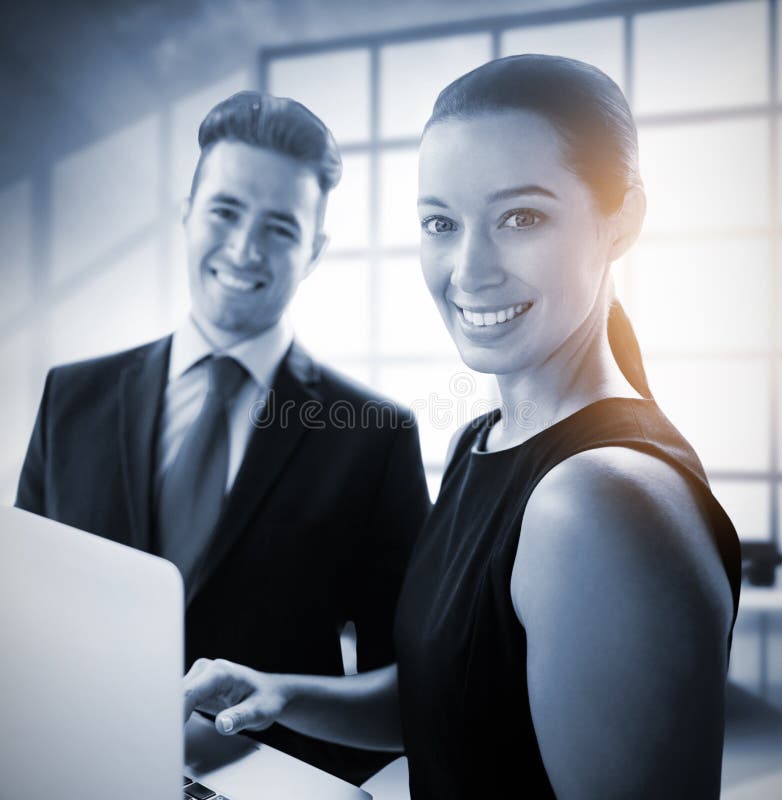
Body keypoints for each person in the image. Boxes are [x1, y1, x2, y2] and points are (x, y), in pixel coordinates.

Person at [181, 57, 741, 798]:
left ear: (622, 222)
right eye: (441, 223)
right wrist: (284, 696)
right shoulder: (483, 440)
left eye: (522, 217)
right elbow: (455, 698)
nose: (469, 269)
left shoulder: (597, 501)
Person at [15, 91, 431, 786]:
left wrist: (287, 706)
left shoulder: (374, 436)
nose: (244, 248)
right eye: (226, 211)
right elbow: (19, 610)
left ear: (315, 251)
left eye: (280, 227)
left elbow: (411, 689)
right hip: (65, 769)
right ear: (186, 211)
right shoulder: (72, 398)